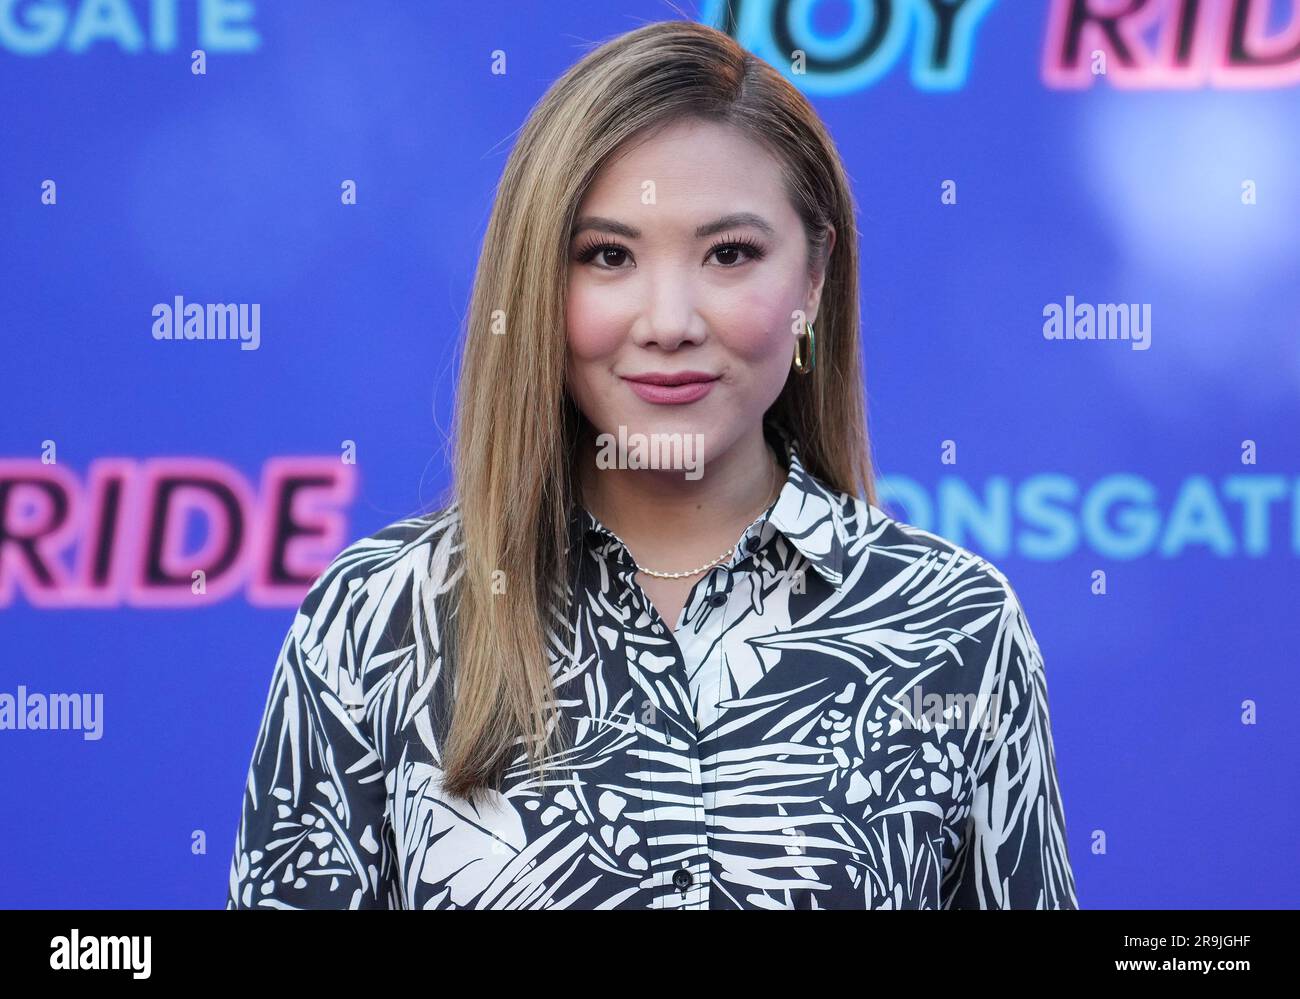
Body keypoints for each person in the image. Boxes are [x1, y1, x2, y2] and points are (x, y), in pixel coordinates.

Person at [226, 19, 1078, 910]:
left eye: (730, 254)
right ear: (536, 286)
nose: (669, 320)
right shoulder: (380, 620)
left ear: (814, 280)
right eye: (608, 256)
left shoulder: (956, 629)